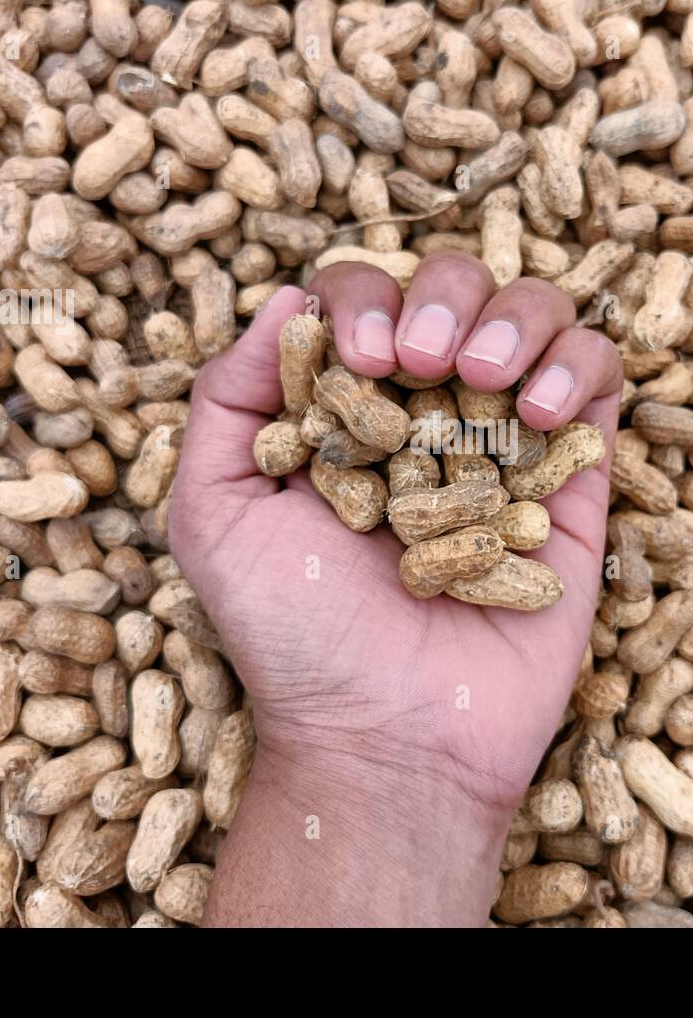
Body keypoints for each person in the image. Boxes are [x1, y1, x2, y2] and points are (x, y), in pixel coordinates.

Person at [169, 252, 623, 926]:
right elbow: (396, 482)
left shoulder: (481, 499)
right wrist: (354, 751)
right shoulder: (383, 474)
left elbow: (476, 504)